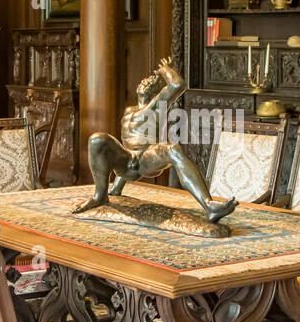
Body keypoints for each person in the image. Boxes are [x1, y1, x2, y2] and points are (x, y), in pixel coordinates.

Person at [74, 57, 237, 223]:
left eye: (151, 83)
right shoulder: (129, 110)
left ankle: (209, 205)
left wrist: (165, 69)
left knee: (172, 148)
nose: (145, 84)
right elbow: (127, 144)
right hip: (125, 161)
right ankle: (100, 196)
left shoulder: (156, 106)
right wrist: (117, 187)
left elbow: (177, 85)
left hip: (146, 158)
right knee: (97, 139)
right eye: (144, 82)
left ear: (158, 92)